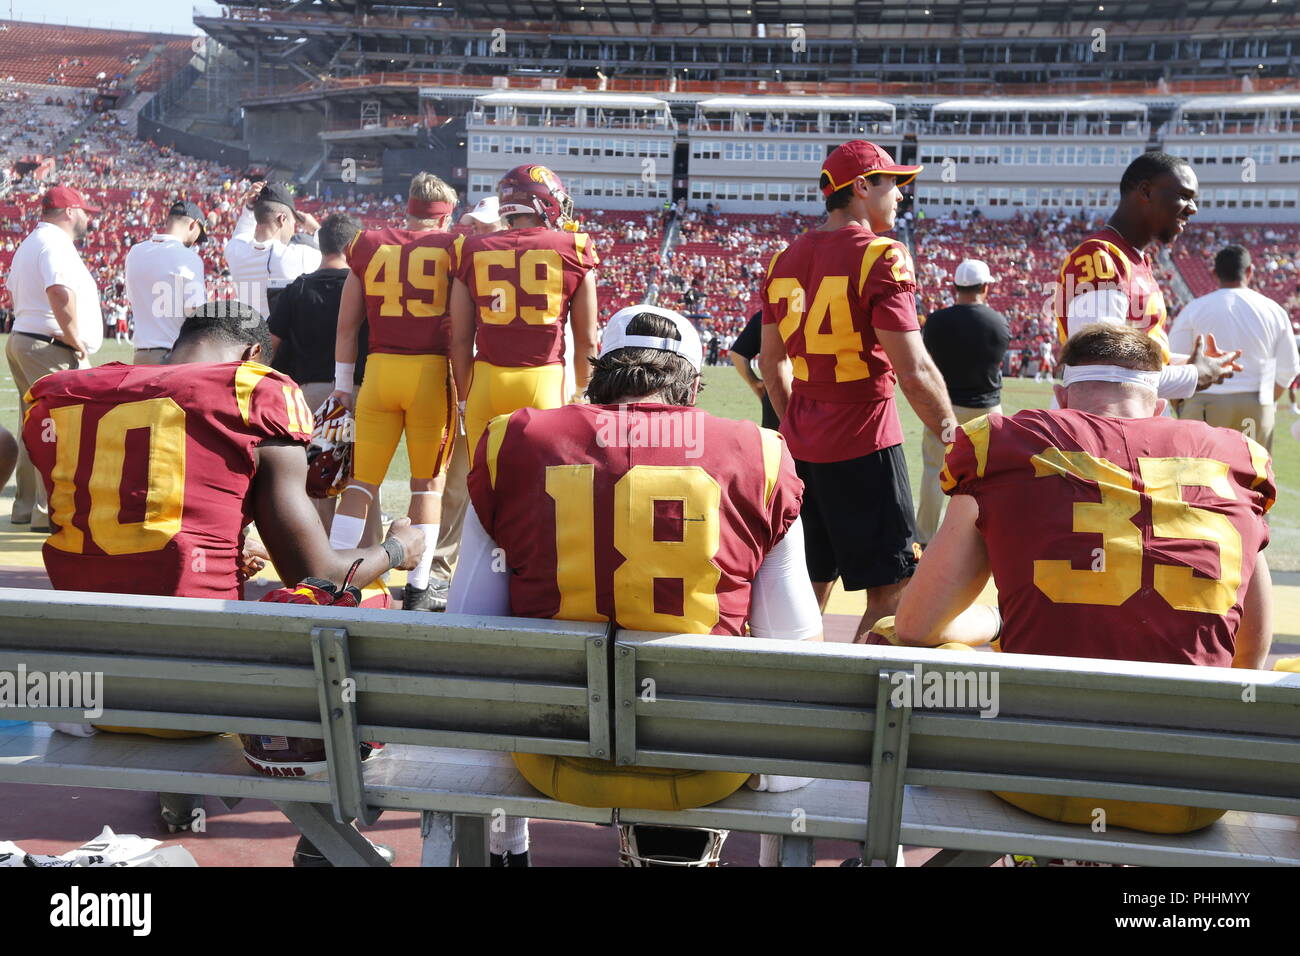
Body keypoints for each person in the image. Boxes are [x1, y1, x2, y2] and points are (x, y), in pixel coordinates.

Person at [23, 300, 424, 858]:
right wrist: (400, 545)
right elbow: (324, 576)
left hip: (81, 698)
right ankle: (329, 833)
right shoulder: (252, 394)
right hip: (201, 699)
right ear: (254, 356)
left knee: (169, 601)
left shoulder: (61, 392)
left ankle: (180, 797)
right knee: (363, 599)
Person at [449, 306, 821, 867]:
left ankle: (508, 852)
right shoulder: (760, 451)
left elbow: (472, 620)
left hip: (551, 748)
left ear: (600, 371)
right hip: (701, 758)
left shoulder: (514, 438)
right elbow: (792, 639)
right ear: (694, 384)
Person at [890, 323, 1274, 840]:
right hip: (1190, 790)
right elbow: (1250, 654)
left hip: (1038, 777)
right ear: (1158, 404)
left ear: (1061, 395)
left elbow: (917, 626)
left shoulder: (1002, 442)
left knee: (893, 634)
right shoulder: (1237, 458)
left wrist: (998, 622)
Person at [759, 140, 954, 640]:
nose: (901, 197)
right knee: (893, 590)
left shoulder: (784, 257)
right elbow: (913, 369)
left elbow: (770, 361)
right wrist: (951, 430)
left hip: (802, 444)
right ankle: (855, 699)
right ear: (862, 187)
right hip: (866, 440)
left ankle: (794, 692)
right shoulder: (882, 255)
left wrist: (790, 420)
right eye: (893, 183)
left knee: (805, 584)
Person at [328, 173, 462, 612]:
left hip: (379, 371)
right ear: (446, 215)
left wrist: (343, 386)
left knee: (361, 482)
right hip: (428, 372)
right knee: (427, 487)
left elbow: (347, 325)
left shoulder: (368, 243)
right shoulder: (453, 247)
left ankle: (335, 578)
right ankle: (420, 587)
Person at [1051, 151, 1241, 402]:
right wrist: (1192, 376)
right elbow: (1101, 373)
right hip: (1101, 427)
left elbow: (1135, 359)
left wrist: (1188, 363)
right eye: (1184, 196)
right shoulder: (1099, 256)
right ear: (1146, 192)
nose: (1192, 209)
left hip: (1126, 420)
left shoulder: (1135, 259)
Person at [449, 164, 599, 460]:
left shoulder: (470, 248)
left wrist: (464, 398)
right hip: (541, 382)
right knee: (543, 490)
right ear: (542, 201)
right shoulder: (573, 247)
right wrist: (583, 391)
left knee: (483, 489)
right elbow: (587, 340)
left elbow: (460, 341)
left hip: (486, 382)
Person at [267, 212, 379, 542]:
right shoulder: (367, 288)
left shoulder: (297, 289)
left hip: (310, 395)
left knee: (317, 483)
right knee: (364, 480)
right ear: (351, 245)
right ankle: (366, 559)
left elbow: (270, 347)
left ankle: (319, 561)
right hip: (362, 391)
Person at [6, 185, 104, 533]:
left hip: (28, 339)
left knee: (33, 427)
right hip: (49, 346)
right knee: (60, 431)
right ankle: (49, 512)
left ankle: (26, 506)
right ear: (69, 212)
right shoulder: (54, 244)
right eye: (83, 211)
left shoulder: (34, 241)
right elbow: (59, 291)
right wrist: (76, 338)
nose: (87, 218)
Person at [915, 258, 1009, 546]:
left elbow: (927, 362)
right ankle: (984, 538)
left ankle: (925, 538)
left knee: (934, 470)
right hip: (986, 409)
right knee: (986, 475)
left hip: (945, 408)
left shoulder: (936, 321)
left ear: (955, 286)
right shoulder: (998, 322)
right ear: (985, 286)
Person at [1170, 245, 1300, 451]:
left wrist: (1182, 406)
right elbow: (1289, 367)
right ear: (1250, 271)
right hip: (1257, 400)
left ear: (1214, 273)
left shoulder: (1194, 309)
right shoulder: (1274, 310)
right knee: (1252, 478)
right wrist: (1265, 401)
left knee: (1200, 479)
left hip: (1204, 400)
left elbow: (1174, 361)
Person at [124, 199, 207, 365]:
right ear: (193, 225)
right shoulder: (189, 258)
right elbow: (196, 312)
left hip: (140, 357)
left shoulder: (135, 252)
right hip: (173, 357)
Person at [223, 180, 321, 318]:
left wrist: (250, 208)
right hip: (281, 338)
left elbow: (242, 231)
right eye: (293, 223)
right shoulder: (299, 256)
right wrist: (317, 229)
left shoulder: (235, 250)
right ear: (282, 219)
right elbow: (337, 256)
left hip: (250, 336)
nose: (293, 229)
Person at [728, 310, 779, 429]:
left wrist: (755, 383)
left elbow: (738, 356)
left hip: (775, 398)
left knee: (775, 445)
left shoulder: (769, 312)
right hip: (818, 405)